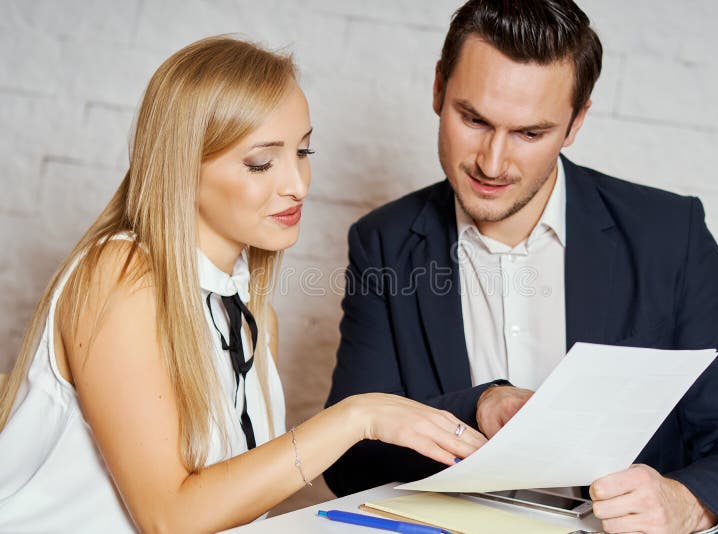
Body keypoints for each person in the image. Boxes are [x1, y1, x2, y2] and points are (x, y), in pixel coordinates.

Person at [324, 1, 718, 533]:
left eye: (530, 133)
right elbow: (348, 459)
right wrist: (479, 406)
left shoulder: (669, 235)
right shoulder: (383, 242)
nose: (493, 163)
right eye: (473, 119)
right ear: (437, 90)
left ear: (576, 122)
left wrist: (686, 503)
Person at [0, 36, 486, 533]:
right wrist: (355, 417)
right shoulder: (120, 274)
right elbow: (171, 520)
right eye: (261, 163)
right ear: (182, 168)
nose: (297, 183)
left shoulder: (253, 316)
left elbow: (240, 506)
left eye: (303, 151)